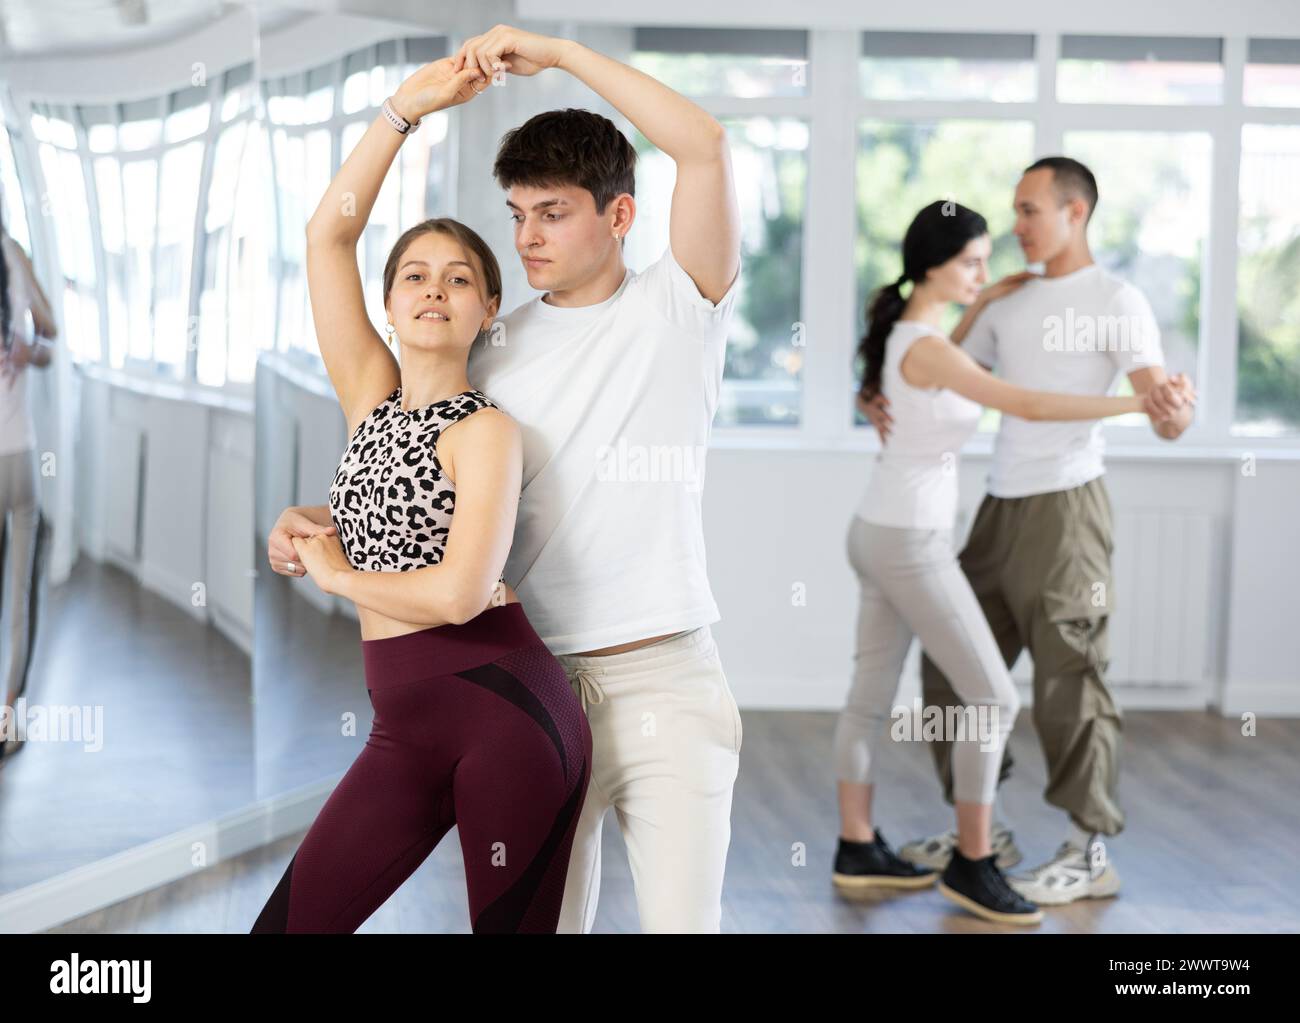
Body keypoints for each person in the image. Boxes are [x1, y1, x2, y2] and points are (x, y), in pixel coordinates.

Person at [251, 56, 592, 934]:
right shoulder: (369, 394)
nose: (434, 288)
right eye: (414, 275)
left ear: (487, 311)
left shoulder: (487, 432)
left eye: (459, 278)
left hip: (509, 720)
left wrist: (333, 573)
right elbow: (327, 235)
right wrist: (405, 110)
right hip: (402, 729)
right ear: (390, 305)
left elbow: (457, 592)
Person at [455, 25, 744, 933]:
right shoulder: (489, 348)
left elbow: (703, 143)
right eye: (516, 213)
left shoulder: (678, 306)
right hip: (532, 679)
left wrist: (560, 52)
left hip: (667, 676)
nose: (526, 236)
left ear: (619, 215)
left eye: (552, 211)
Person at [835, 199, 1188, 924]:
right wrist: (1136, 405)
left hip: (878, 530)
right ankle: (973, 863)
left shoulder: (915, 332)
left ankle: (857, 847)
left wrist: (986, 294)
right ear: (934, 265)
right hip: (910, 542)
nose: (986, 271)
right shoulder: (928, 344)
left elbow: (929, 369)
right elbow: (1022, 400)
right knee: (991, 699)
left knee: (870, 697)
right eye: (972, 261)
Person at [0, 206, 57, 768]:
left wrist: (28, 350)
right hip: (17, 456)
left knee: (18, 592)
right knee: (18, 596)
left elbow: (50, 341)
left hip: (16, 458)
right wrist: (26, 349)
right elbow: (50, 336)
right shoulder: (14, 254)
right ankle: (10, 721)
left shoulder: (13, 253)